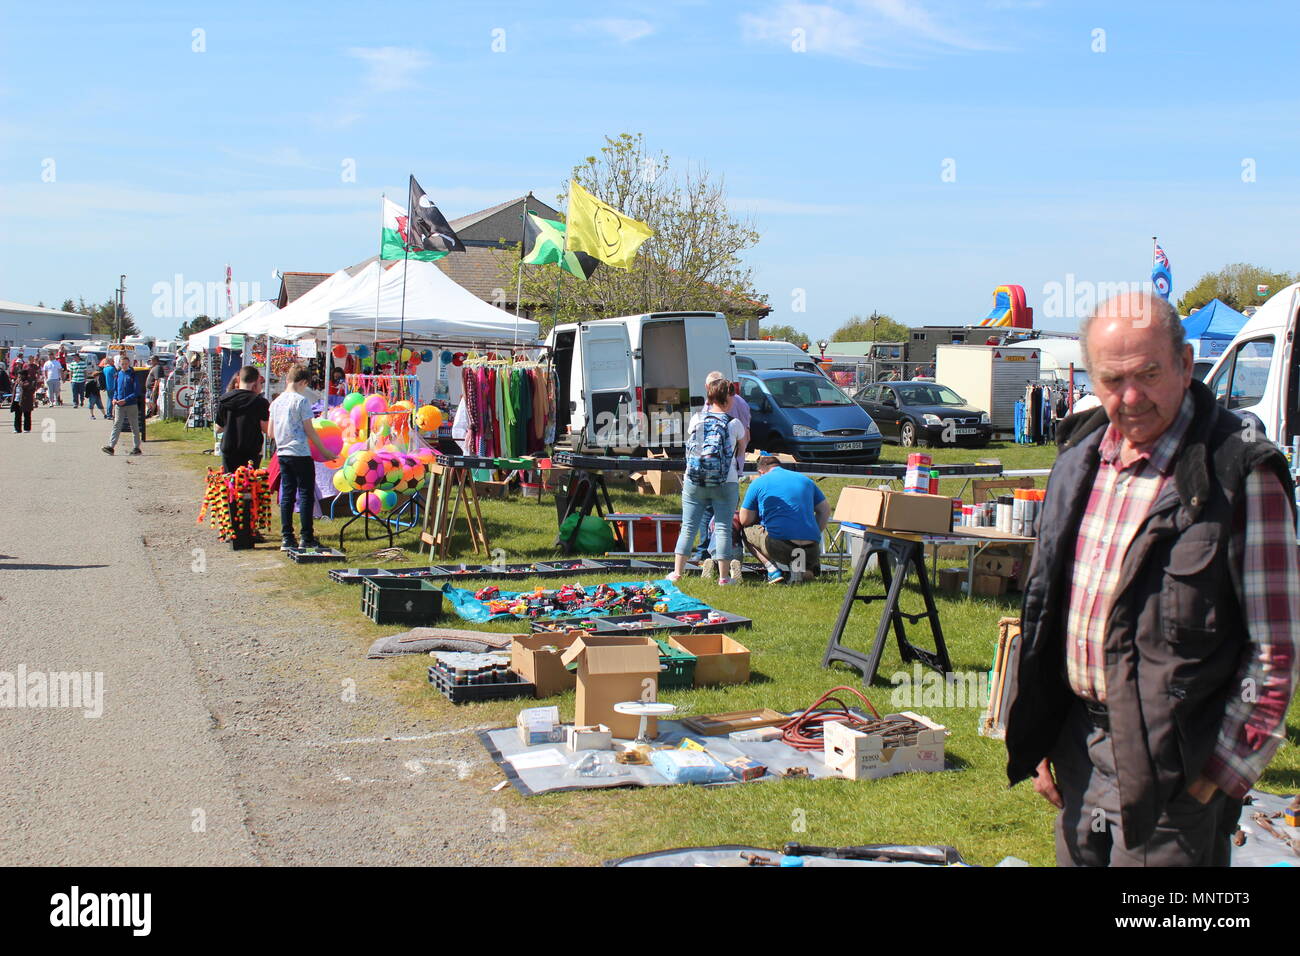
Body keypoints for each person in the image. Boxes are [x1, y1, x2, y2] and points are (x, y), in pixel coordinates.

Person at [1005, 292, 1299, 867]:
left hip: (1176, 770)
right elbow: (1043, 609)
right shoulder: (1078, 459)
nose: (1132, 397)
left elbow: (1276, 650)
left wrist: (1217, 777)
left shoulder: (1240, 471)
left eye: (1149, 373)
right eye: (1113, 380)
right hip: (1075, 751)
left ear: (1186, 365)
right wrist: (1035, 732)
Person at [669, 377, 746, 584]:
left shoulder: (696, 419)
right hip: (725, 481)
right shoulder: (734, 423)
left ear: (709, 397)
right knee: (722, 528)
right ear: (728, 398)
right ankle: (723, 577)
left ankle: (677, 573)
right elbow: (741, 450)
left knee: (688, 526)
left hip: (694, 480)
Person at [691, 371, 752, 580]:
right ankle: (720, 562)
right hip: (729, 472)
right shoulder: (739, 405)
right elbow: (745, 435)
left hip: (706, 470)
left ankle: (706, 555)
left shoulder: (711, 408)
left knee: (708, 514)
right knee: (723, 519)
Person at [738, 450, 829, 583]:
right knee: (804, 555)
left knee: (746, 531)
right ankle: (805, 571)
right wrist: (814, 533)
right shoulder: (806, 480)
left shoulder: (759, 482)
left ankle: (772, 569)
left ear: (761, 472)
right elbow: (825, 510)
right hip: (812, 548)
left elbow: (744, 520)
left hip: (780, 547)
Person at [268, 364, 328, 550]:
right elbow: (310, 431)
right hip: (300, 453)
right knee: (305, 494)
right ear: (303, 382)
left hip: (283, 453)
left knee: (287, 494)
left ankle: (287, 538)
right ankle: (306, 537)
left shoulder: (276, 402)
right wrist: (325, 451)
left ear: (287, 380)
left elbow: (270, 432)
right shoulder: (301, 401)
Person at [214, 365, 269, 473]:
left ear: (238, 379)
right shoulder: (260, 402)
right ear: (256, 381)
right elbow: (266, 428)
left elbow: (218, 429)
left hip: (229, 448)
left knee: (229, 483)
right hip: (251, 449)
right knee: (249, 485)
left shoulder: (225, 399)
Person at [102, 354, 142, 455]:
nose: (124, 365)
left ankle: (136, 447)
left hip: (131, 404)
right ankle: (111, 446)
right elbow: (115, 389)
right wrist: (115, 398)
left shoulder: (132, 375)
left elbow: (137, 391)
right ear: (119, 364)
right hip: (119, 405)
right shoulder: (118, 374)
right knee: (117, 424)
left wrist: (126, 399)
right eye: (122, 364)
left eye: (126, 364)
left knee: (134, 426)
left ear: (129, 364)